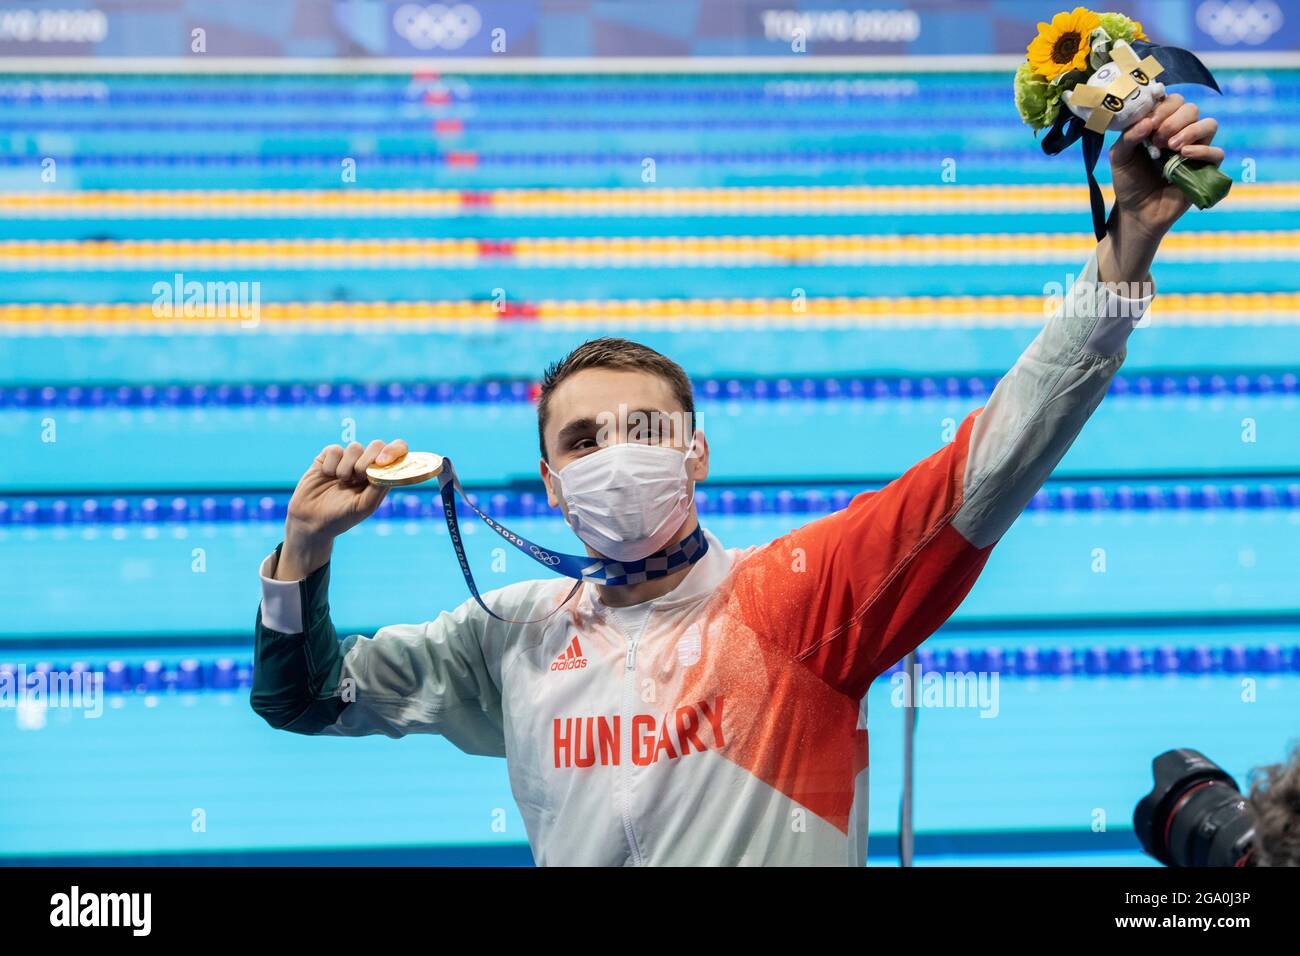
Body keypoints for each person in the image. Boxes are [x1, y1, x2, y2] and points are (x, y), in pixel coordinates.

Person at [251, 95, 1224, 865]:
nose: (614, 452)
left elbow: (1000, 450)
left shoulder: (803, 598)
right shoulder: (508, 631)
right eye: (583, 439)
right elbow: (308, 696)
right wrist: (304, 551)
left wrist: (1127, 240)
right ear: (551, 482)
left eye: (645, 428)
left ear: (695, 452)